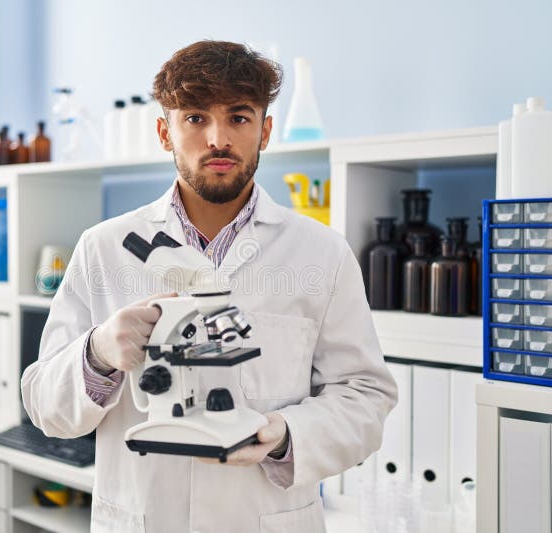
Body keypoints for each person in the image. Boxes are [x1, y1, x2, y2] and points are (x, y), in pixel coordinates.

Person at [21, 40, 397, 533]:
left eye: (239, 117)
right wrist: (98, 354)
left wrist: (285, 436)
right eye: (195, 118)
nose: (218, 139)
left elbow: (365, 396)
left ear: (265, 130)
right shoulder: (104, 248)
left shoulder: (322, 254)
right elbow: (47, 408)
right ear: (164, 132)